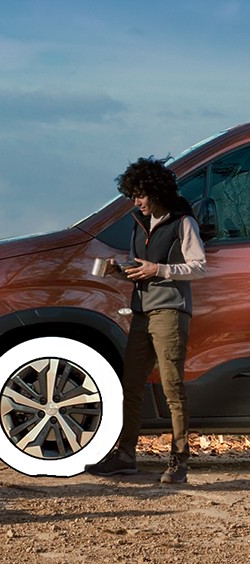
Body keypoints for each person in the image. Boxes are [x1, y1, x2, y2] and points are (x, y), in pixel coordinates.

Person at [85, 156, 207, 484]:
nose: (135, 201)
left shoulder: (183, 222)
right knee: (131, 385)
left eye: (139, 194)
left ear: (155, 191)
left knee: (172, 387)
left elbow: (199, 266)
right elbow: (142, 268)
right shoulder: (139, 224)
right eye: (133, 195)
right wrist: (120, 269)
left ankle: (179, 462)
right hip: (141, 311)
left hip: (170, 311)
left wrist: (160, 270)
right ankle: (125, 457)